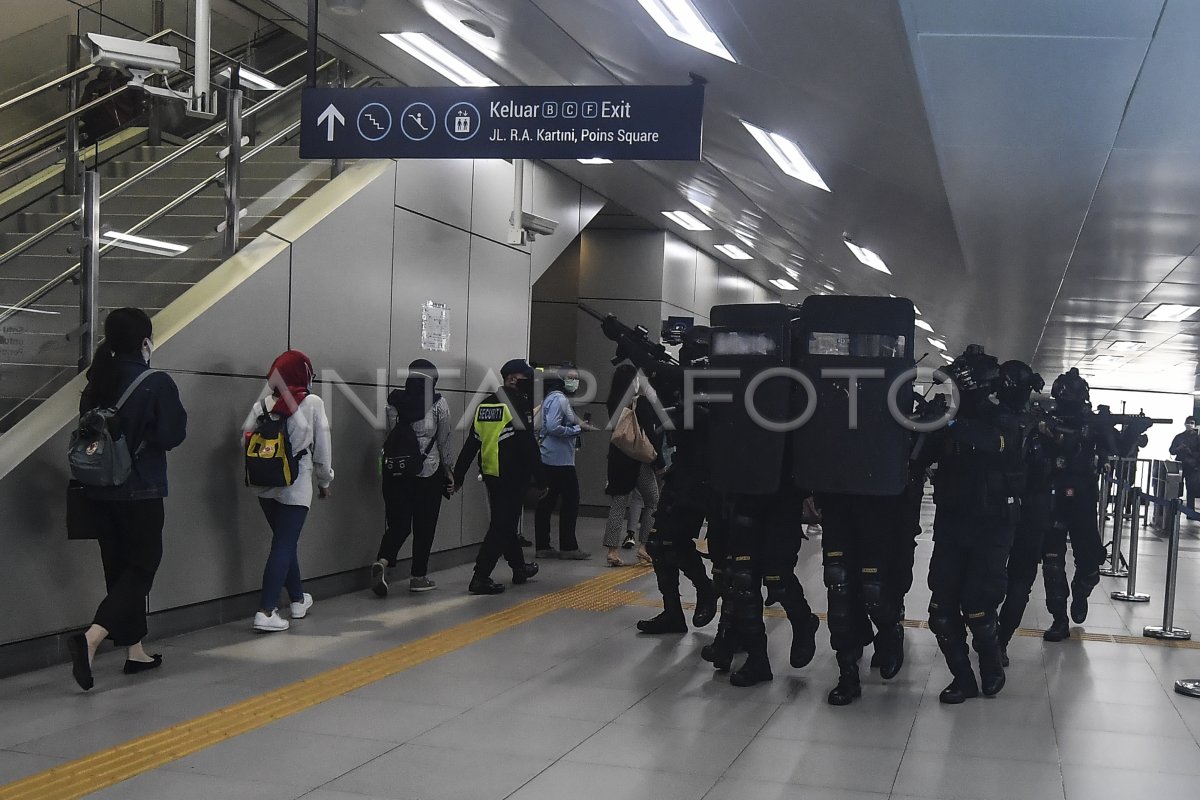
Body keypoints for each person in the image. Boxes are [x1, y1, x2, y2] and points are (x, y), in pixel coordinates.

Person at [67, 308, 187, 691]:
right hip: (141, 490)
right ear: (145, 341)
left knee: (118, 570)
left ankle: (135, 651)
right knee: (142, 568)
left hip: (98, 491)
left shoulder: (96, 382)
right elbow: (171, 435)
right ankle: (91, 639)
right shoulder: (155, 382)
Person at [924, 345, 1022, 703]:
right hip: (952, 522)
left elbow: (995, 442)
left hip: (991, 525)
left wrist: (949, 421)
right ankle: (962, 678)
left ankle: (991, 665)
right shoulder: (949, 416)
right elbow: (921, 456)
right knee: (941, 611)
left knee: (979, 607)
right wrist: (925, 423)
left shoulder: (1004, 416)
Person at [244, 350, 333, 632]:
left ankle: (297, 600)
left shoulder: (262, 405)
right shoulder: (312, 403)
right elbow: (323, 449)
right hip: (296, 484)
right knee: (283, 544)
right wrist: (325, 480)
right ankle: (266, 610)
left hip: (264, 485)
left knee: (285, 541)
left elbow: (244, 437)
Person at [452, 358, 544, 595]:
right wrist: (542, 479)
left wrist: (458, 475)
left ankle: (519, 568)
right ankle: (480, 576)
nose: (530, 384)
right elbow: (528, 444)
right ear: (513, 379)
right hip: (514, 476)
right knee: (502, 526)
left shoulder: (486, 404)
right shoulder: (518, 404)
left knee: (506, 521)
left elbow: (472, 443)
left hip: (492, 474)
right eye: (527, 378)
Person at [370, 359, 453, 597]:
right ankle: (418, 577)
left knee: (399, 524)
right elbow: (444, 441)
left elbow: (390, 436)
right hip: (428, 472)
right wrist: (449, 471)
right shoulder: (439, 404)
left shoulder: (393, 402)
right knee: (424, 527)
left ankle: (383, 561)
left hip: (396, 472)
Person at [602, 364, 661, 567]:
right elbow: (650, 434)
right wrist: (658, 459)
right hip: (638, 460)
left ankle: (612, 550)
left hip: (617, 459)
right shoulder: (639, 403)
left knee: (618, 503)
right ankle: (644, 546)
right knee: (653, 501)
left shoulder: (612, 403)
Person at [534, 366, 594, 560]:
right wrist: (577, 429)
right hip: (559, 460)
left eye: (576, 378)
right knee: (571, 500)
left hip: (548, 457)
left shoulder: (551, 397)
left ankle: (543, 545)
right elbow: (552, 427)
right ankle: (568, 546)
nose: (574, 382)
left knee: (547, 502)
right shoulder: (560, 399)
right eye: (570, 378)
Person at [1170, 416, 1199, 511]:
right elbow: (1171, 450)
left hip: (1192, 467)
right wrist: (1179, 448)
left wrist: (1190, 451)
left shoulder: (1197, 439)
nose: (1190, 425)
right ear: (1185, 423)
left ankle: (1190, 511)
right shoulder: (1179, 437)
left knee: (1191, 489)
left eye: (1192, 423)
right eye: (1188, 422)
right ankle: (1174, 509)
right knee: (1176, 487)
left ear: (1194, 425)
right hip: (1179, 465)